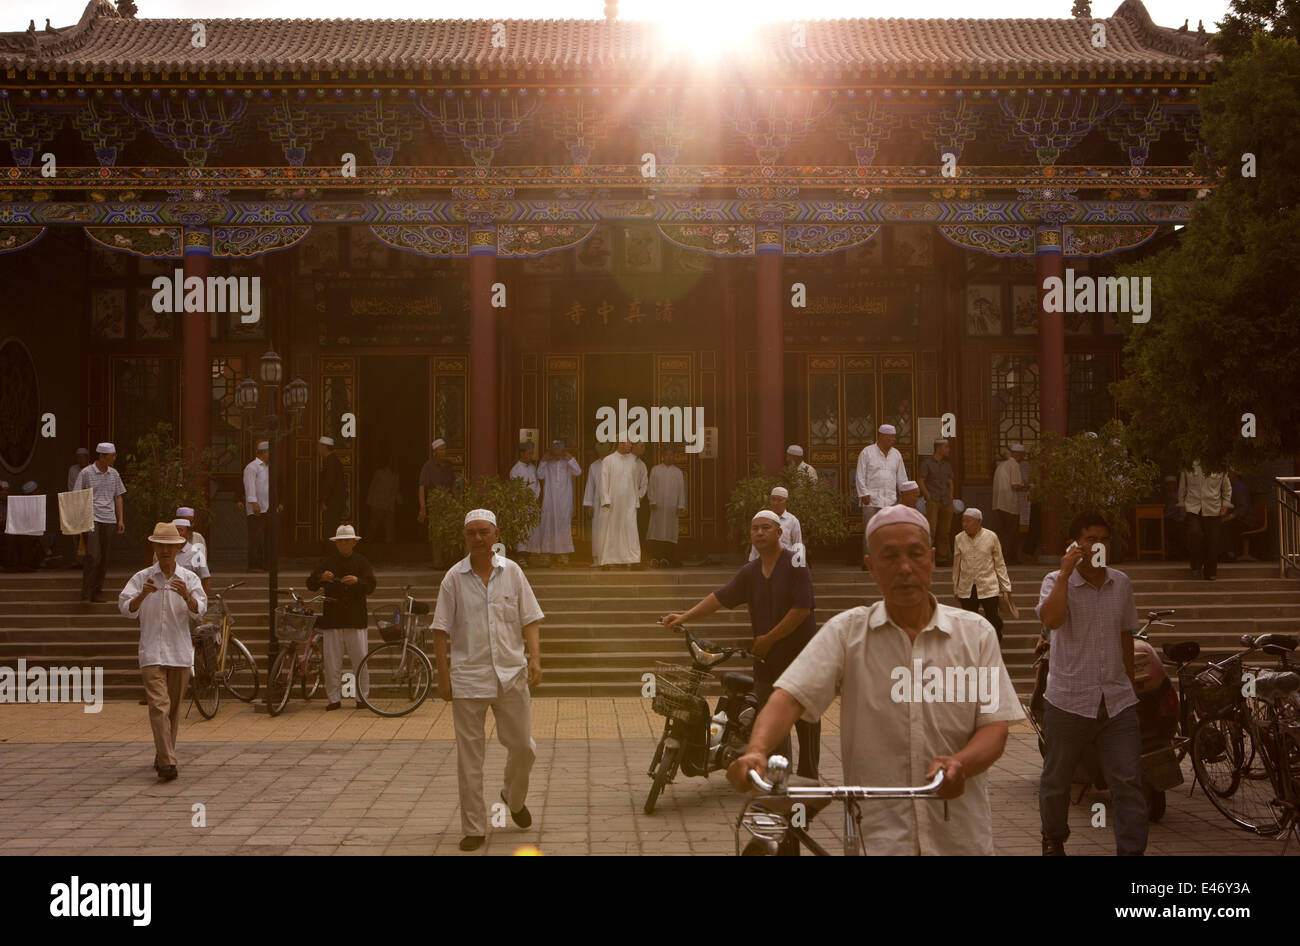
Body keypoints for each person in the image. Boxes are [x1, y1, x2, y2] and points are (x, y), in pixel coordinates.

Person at [727, 504, 1022, 855]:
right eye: (889, 557)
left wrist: (961, 763)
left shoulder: (976, 634)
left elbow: (994, 727)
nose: (905, 568)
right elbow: (789, 696)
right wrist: (756, 751)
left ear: (930, 559)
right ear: (871, 567)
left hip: (958, 837)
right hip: (877, 837)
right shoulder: (846, 633)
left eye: (915, 555)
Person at [665, 509, 820, 778]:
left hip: (799, 659)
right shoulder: (750, 572)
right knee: (771, 727)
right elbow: (719, 598)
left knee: (806, 725)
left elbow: (802, 609)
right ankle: (777, 783)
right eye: (754, 529)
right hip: (767, 663)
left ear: (779, 533)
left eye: (766, 528)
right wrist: (684, 616)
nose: (759, 533)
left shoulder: (796, 563)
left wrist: (768, 638)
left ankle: (808, 780)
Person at [432, 509, 544, 852]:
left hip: (511, 674)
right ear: (464, 538)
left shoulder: (513, 573)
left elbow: (530, 618)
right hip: (468, 677)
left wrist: (535, 657)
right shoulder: (453, 578)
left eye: (484, 532)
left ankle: (512, 797)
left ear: (496, 535)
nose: (478, 538)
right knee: (470, 757)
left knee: (523, 747)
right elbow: (440, 630)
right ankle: (475, 827)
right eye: (471, 533)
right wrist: (443, 676)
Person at [1036, 511, 1146, 856]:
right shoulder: (1055, 580)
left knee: (1127, 781)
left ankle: (1131, 852)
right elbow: (1051, 619)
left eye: (1104, 539)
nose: (1098, 545)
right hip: (1068, 699)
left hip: (1116, 700)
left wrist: (1130, 683)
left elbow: (1126, 635)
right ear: (1076, 544)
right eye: (1090, 539)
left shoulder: (1121, 583)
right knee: (1057, 782)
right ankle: (1054, 839)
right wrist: (1066, 573)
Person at [117, 521, 207, 781]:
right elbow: (125, 608)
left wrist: (188, 597)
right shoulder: (142, 577)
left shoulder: (189, 579)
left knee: (174, 710)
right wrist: (141, 596)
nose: (166, 551)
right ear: (154, 547)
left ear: (178, 548)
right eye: (161, 546)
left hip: (179, 651)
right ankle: (167, 762)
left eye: (171, 546)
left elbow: (199, 610)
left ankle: (163, 752)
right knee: (159, 705)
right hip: (152, 652)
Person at [307, 524, 375, 711]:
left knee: (360, 659)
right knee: (332, 661)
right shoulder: (327, 562)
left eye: (347, 541)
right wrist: (322, 578)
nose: (344, 545)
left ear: (353, 543)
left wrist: (357, 581)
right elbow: (310, 583)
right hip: (333, 617)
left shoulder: (362, 562)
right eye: (340, 542)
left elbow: (370, 586)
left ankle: (362, 697)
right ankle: (334, 698)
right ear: (336, 544)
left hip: (355, 617)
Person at [75, 442, 126, 603]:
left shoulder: (114, 474)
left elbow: (118, 496)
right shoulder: (86, 473)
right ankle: (86, 592)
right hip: (91, 518)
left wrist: (121, 519)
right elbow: (77, 496)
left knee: (104, 557)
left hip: (109, 518)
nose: (114, 458)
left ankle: (97, 591)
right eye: (112, 456)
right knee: (93, 554)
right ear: (102, 456)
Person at [952, 509, 1011, 643]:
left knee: (993, 619)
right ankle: (973, 649)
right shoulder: (959, 538)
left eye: (968, 521)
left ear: (978, 522)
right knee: (969, 621)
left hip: (988, 585)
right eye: (963, 521)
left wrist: (1005, 586)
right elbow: (956, 566)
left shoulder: (991, 537)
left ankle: (995, 645)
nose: (964, 524)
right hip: (967, 586)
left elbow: (999, 563)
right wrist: (956, 588)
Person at [855, 424, 909, 563]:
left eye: (894, 437)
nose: (893, 439)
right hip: (871, 500)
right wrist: (863, 493)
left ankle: (885, 561)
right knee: (870, 531)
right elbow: (860, 475)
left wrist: (904, 495)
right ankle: (868, 562)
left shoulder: (896, 454)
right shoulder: (867, 452)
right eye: (891, 437)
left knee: (888, 532)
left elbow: (901, 477)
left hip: (890, 501)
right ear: (882, 436)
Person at [1179, 461, 1230, 581]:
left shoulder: (1220, 466)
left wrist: (1226, 503)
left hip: (1213, 507)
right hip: (1193, 506)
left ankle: (1210, 572)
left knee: (1212, 540)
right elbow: (1183, 485)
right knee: (1194, 533)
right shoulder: (1189, 465)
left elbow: (1226, 487)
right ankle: (1196, 564)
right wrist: (1182, 503)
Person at [535, 440, 583, 567]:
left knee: (563, 526)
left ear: (562, 452)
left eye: (559, 452)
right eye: (554, 452)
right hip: (550, 500)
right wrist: (544, 460)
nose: (557, 455)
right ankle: (547, 555)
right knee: (548, 525)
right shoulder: (548, 464)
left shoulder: (567, 463)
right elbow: (539, 475)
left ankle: (563, 555)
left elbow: (578, 472)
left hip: (564, 500)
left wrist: (570, 456)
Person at [595, 441, 642, 569]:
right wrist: (605, 499)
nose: (631, 446)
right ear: (620, 444)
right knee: (611, 530)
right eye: (628, 443)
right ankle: (607, 560)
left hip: (628, 503)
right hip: (612, 503)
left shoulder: (632, 462)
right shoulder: (608, 460)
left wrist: (636, 501)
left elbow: (635, 483)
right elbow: (604, 480)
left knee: (630, 530)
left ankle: (633, 559)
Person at [417, 439, 458, 569]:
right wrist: (423, 507)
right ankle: (438, 562)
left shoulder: (448, 466)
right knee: (436, 533)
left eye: (445, 449)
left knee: (449, 532)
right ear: (435, 452)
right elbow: (422, 486)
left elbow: (452, 486)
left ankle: (449, 561)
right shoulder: (428, 466)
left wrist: (456, 503)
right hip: (435, 503)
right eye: (441, 449)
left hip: (448, 502)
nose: (444, 452)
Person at [647, 446, 687, 567]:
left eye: (671, 455)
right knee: (656, 531)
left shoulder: (678, 472)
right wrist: (652, 501)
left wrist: (681, 504)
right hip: (658, 507)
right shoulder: (655, 470)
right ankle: (655, 558)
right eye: (667, 455)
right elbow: (651, 487)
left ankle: (667, 558)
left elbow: (681, 490)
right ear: (662, 456)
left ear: (674, 456)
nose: (669, 457)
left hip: (671, 508)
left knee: (669, 532)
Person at [919, 438, 955, 565]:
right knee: (931, 530)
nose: (948, 450)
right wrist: (928, 496)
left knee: (945, 531)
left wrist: (951, 496)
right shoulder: (927, 463)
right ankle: (927, 558)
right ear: (939, 448)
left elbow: (950, 482)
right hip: (933, 500)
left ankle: (942, 557)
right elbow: (921, 481)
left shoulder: (947, 465)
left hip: (946, 500)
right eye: (946, 447)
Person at [991, 444, 1028, 566]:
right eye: (1023, 455)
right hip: (1009, 504)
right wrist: (1028, 486)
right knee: (1012, 533)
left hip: (998, 503)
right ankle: (1008, 558)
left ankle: (1005, 558)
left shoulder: (1002, 465)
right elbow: (1015, 485)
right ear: (1018, 454)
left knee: (1004, 532)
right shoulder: (1014, 465)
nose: (1023, 457)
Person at [747, 486, 802, 562]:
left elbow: (798, 544)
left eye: (780, 500)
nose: (776, 503)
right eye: (773, 499)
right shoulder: (762, 517)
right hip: (763, 562)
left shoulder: (793, 521)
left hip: (785, 563)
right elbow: (756, 543)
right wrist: (752, 562)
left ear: (786, 501)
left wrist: (798, 565)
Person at [509, 443, 540, 567]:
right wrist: (520, 501)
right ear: (522, 453)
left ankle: (528, 556)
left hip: (532, 504)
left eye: (532, 453)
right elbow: (514, 489)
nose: (531, 456)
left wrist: (535, 498)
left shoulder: (533, 468)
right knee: (522, 530)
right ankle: (520, 556)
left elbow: (537, 485)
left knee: (531, 530)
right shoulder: (515, 469)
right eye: (529, 453)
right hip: (521, 505)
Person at [241, 441, 270, 571]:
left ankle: (263, 563)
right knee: (255, 538)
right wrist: (254, 503)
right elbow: (250, 486)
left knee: (264, 538)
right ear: (263, 452)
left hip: (267, 507)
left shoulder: (267, 467)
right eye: (269, 452)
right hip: (257, 508)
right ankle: (253, 565)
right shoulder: (252, 467)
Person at [582, 444, 611, 565]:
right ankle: (597, 558)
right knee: (597, 529)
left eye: (604, 452)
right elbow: (590, 486)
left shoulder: (613, 464)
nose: (602, 455)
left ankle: (610, 558)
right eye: (600, 453)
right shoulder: (593, 466)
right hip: (597, 502)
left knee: (610, 529)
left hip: (611, 502)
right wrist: (589, 505)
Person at [365, 458, 401, 546]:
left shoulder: (396, 475)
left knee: (389, 525)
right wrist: (370, 501)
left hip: (389, 504)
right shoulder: (380, 473)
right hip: (378, 503)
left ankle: (389, 545)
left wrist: (399, 501)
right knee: (374, 523)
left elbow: (396, 489)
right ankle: (367, 542)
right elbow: (372, 487)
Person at [1222, 470, 1255, 563]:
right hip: (1240, 518)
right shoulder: (1233, 487)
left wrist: (1229, 516)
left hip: (1246, 520)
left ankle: (1230, 553)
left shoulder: (1239, 487)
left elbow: (1243, 508)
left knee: (1225, 525)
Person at [172, 518, 211, 595]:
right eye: (174, 531)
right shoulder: (163, 552)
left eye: (180, 530)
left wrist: (202, 603)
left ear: (188, 534)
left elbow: (205, 580)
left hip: (189, 600)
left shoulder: (196, 553)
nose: (177, 534)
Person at [318, 436, 346, 542]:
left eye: (319, 446)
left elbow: (329, 483)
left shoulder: (330, 462)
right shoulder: (332, 460)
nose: (318, 449)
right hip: (335, 501)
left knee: (330, 530)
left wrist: (324, 500)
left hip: (332, 502)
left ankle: (331, 555)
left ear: (324, 447)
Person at [632, 441, 650, 551]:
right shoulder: (623, 460)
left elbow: (644, 484)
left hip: (634, 502)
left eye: (644, 446)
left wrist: (638, 497)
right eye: (641, 446)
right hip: (620, 501)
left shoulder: (642, 465)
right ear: (633, 446)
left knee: (635, 529)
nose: (644, 449)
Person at [1161, 475, 1186, 559]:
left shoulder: (1179, 496)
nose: (1171, 486)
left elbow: (1182, 511)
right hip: (1166, 520)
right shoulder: (1163, 497)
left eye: (1172, 484)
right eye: (1168, 484)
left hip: (1178, 520)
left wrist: (1180, 519)